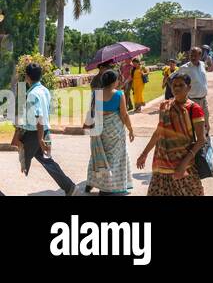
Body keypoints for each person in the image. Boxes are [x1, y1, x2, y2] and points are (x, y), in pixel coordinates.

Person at [11, 62, 77, 195]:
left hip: (35, 133)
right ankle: (69, 186)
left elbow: (38, 116)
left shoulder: (32, 94)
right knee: (46, 160)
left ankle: (69, 186)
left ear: (27, 77)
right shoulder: (45, 90)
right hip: (43, 130)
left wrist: (39, 138)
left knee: (26, 150)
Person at [137, 73, 206, 196]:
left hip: (183, 165)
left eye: (181, 85)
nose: (177, 88)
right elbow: (159, 132)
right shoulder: (165, 105)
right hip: (161, 166)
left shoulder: (194, 109)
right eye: (174, 85)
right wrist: (144, 153)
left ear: (189, 88)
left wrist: (183, 164)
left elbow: (201, 140)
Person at [84, 68, 134, 194]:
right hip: (115, 131)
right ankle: (108, 188)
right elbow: (124, 115)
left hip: (99, 130)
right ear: (115, 81)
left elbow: (92, 113)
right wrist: (130, 129)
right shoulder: (119, 94)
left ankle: (91, 182)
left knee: (98, 155)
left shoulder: (96, 94)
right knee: (114, 158)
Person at [172, 48, 210, 133]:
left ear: (200, 56)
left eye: (195, 56)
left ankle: (206, 143)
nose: (193, 58)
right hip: (193, 100)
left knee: (206, 122)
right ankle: (194, 142)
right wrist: (176, 93)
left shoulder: (202, 64)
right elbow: (171, 78)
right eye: (191, 56)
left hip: (203, 99)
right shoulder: (185, 67)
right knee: (192, 124)